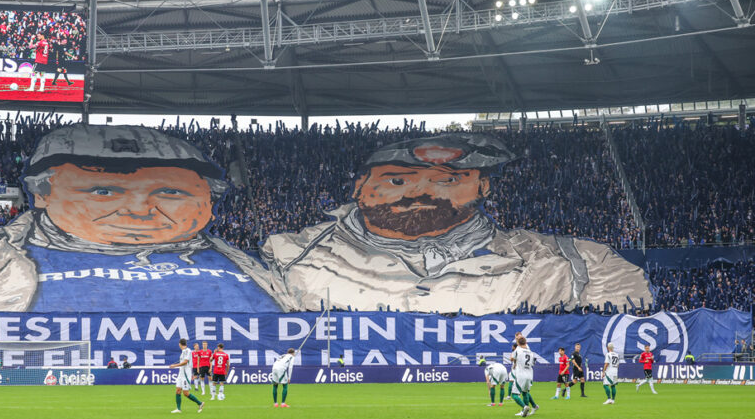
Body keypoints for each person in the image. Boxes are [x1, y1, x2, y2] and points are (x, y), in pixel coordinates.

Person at [262, 133, 654, 314]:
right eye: (396, 180)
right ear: (359, 187)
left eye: (446, 180)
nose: (419, 191)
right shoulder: (287, 257)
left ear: (483, 187)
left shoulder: (579, 264)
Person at [0, 124, 283, 313]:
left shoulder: (274, 265)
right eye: (103, 191)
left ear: (209, 200)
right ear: (42, 194)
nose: (140, 210)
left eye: (170, 192)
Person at [168, 338, 204, 414]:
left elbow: (185, 362)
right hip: (181, 374)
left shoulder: (188, 351)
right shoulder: (183, 352)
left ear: (180, 344)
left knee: (186, 393)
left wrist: (174, 365)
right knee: (178, 390)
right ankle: (178, 409)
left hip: (186, 375)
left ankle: (200, 403)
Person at [509, 337, 537, 417]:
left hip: (521, 375)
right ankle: (526, 412)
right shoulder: (531, 352)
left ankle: (524, 407)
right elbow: (533, 363)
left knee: (514, 394)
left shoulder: (517, 350)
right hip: (530, 374)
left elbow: (512, 359)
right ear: (526, 342)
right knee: (525, 393)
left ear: (518, 343)